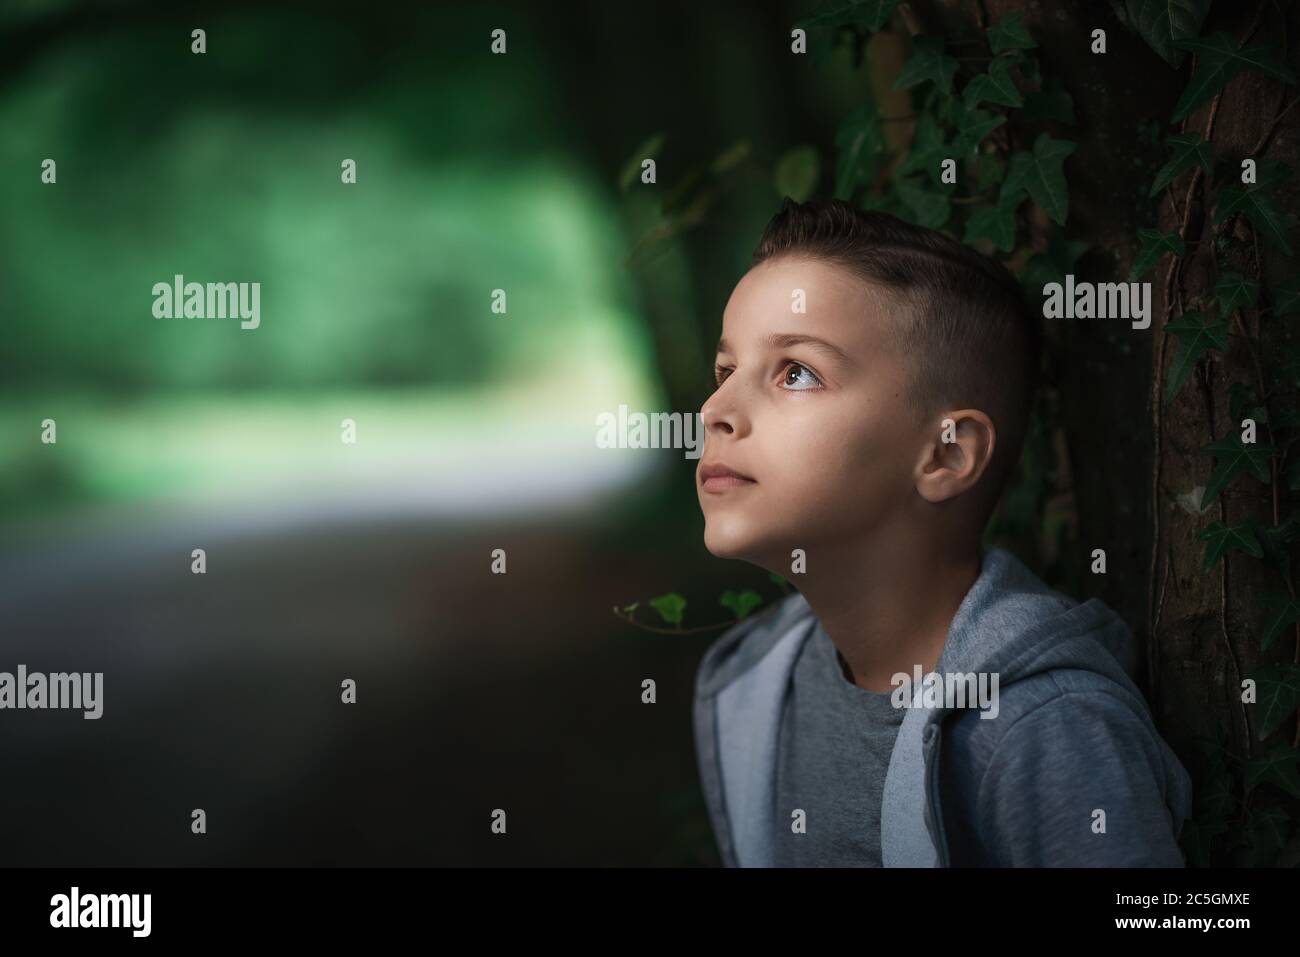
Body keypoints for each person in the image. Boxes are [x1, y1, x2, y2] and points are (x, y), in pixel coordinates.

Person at [691, 197, 1192, 867]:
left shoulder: (1042, 727)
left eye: (795, 372)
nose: (715, 410)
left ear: (947, 453)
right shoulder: (756, 684)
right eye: (725, 372)